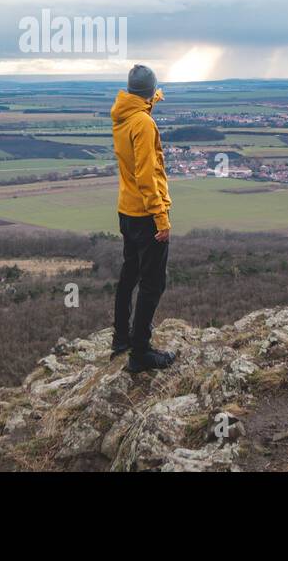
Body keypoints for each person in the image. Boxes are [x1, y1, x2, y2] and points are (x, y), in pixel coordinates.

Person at [109, 64, 176, 372]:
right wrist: (160, 218)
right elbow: (146, 174)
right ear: (149, 93)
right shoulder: (144, 124)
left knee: (129, 276)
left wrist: (152, 97)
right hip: (146, 214)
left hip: (127, 211)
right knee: (152, 283)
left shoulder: (124, 114)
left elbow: (142, 105)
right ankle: (140, 353)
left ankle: (121, 339)